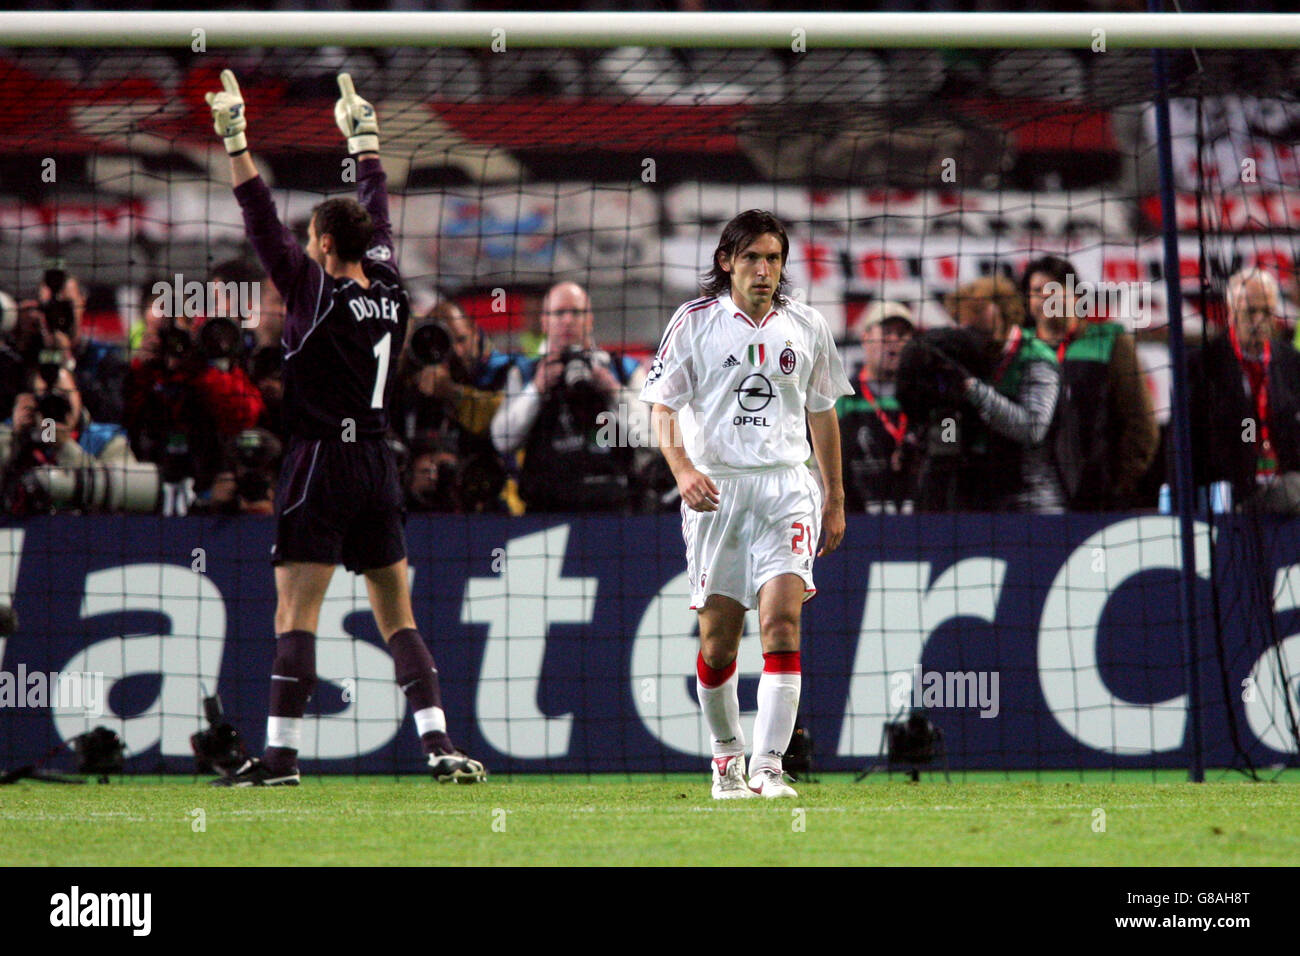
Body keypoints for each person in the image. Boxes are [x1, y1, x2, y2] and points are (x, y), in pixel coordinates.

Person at [203, 70, 484, 785]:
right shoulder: (389, 282)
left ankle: (280, 757)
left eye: (311, 236)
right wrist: (366, 141)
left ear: (325, 244)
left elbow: (259, 219)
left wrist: (235, 138)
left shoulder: (312, 290)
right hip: (378, 465)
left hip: (321, 462)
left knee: (296, 613)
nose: (303, 241)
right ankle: (440, 744)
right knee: (398, 614)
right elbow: (379, 214)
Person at [642, 210, 852, 799]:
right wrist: (682, 470)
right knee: (719, 643)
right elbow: (661, 407)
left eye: (775, 258)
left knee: (783, 625)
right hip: (718, 493)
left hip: (786, 487)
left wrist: (834, 498)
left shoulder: (806, 325)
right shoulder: (694, 323)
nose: (765, 270)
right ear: (726, 261)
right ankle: (726, 757)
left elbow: (822, 411)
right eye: (753, 257)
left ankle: (768, 767)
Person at [490, 280, 646, 512]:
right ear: (544, 322)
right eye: (559, 313)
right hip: (544, 513)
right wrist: (536, 388)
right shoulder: (524, 373)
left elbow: (650, 437)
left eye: (576, 312)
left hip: (613, 511)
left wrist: (613, 389)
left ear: (590, 319)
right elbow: (503, 441)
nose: (567, 320)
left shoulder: (623, 370)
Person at [1022, 256, 1157, 510]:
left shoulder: (1110, 340)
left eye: (1054, 289)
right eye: (1037, 291)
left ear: (1075, 296)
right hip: (1033, 498)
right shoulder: (1019, 346)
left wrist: (1119, 485)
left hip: (1097, 499)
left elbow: (1141, 422)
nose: (1045, 298)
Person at [942, 275, 1063, 513]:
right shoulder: (968, 356)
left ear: (1004, 314)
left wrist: (971, 389)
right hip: (978, 497)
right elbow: (950, 429)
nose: (972, 330)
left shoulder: (1035, 356)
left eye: (979, 313)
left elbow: (1033, 428)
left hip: (1030, 501)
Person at [1189, 267, 1300, 513]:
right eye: (1251, 312)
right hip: (1228, 494)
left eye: (1267, 312)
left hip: (1285, 489)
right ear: (1231, 312)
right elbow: (1188, 445)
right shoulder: (1204, 365)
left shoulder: (1292, 363)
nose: (1259, 321)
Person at [837, 300, 919, 512]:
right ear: (865, 338)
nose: (893, 340)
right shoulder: (843, 398)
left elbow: (949, 436)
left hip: (917, 520)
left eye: (902, 335)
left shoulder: (924, 398)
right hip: (855, 521)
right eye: (886, 332)